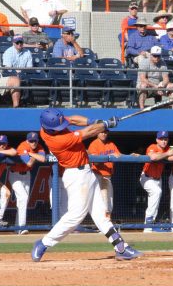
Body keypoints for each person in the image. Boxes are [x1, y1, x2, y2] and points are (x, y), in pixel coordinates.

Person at [30, 109, 140, 262]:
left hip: (87, 173)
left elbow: (74, 120)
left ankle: (120, 247)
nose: (63, 125)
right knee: (76, 216)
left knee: (101, 214)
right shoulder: (58, 140)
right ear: (50, 128)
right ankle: (43, 243)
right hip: (76, 176)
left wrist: (93, 121)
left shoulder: (49, 125)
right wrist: (104, 124)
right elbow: (86, 133)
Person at [8, 132, 46, 234]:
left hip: (26, 175)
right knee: (23, 198)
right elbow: (29, 163)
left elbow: (42, 159)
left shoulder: (39, 146)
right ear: (27, 140)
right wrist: (35, 155)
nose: (33, 143)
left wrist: (31, 154)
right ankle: (22, 227)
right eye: (31, 141)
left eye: (35, 141)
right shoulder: (22, 146)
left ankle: (17, 227)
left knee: (23, 201)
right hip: (15, 175)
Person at [140, 131, 173, 232]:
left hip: (157, 179)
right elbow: (153, 157)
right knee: (157, 192)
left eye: (165, 139)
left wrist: (165, 154)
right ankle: (149, 221)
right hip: (146, 177)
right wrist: (166, 154)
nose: (164, 141)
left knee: (154, 201)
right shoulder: (153, 146)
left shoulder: (168, 148)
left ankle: (148, 227)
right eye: (161, 139)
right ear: (157, 140)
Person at [87, 128, 121, 220]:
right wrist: (109, 156)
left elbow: (119, 156)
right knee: (102, 201)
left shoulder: (111, 144)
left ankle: (106, 223)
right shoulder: (94, 144)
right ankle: (104, 223)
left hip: (107, 176)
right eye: (101, 132)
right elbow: (96, 162)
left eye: (105, 132)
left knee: (108, 201)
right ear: (97, 133)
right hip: (98, 176)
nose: (103, 134)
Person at [1, 35, 31, 108]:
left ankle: (24, 101)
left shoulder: (27, 52)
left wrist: (20, 72)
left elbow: (29, 67)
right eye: (17, 42)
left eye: (21, 42)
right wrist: (17, 72)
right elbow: (8, 68)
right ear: (13, 43)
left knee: (26, 77)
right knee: (16, 79)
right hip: (11, 74)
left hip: (24, 73)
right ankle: (16, 104)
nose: (19, 44)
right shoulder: (8, 52)